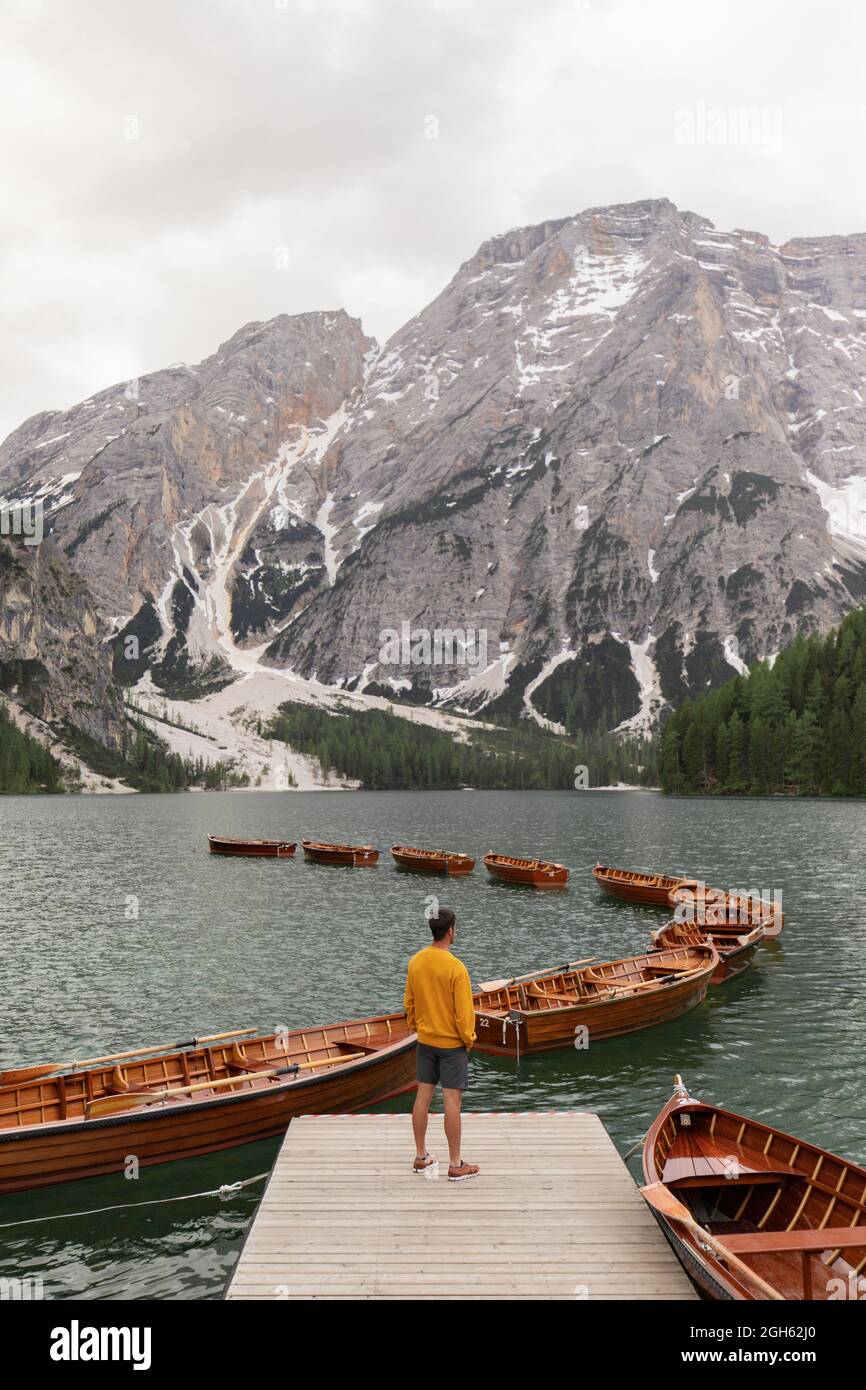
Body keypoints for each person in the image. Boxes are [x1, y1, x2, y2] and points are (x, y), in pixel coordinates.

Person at [403, 906, 479, 1181]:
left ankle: (421, 1157)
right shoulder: (456, 968)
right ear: (450, 931)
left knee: (423, 1095)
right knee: (451, 1101)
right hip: (451, 1045)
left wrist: (417, 1027)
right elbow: (464, 1014)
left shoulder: (416, 961)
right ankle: (456, 1163)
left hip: (425, 1040)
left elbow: (409, 1002)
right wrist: (468, 1039)